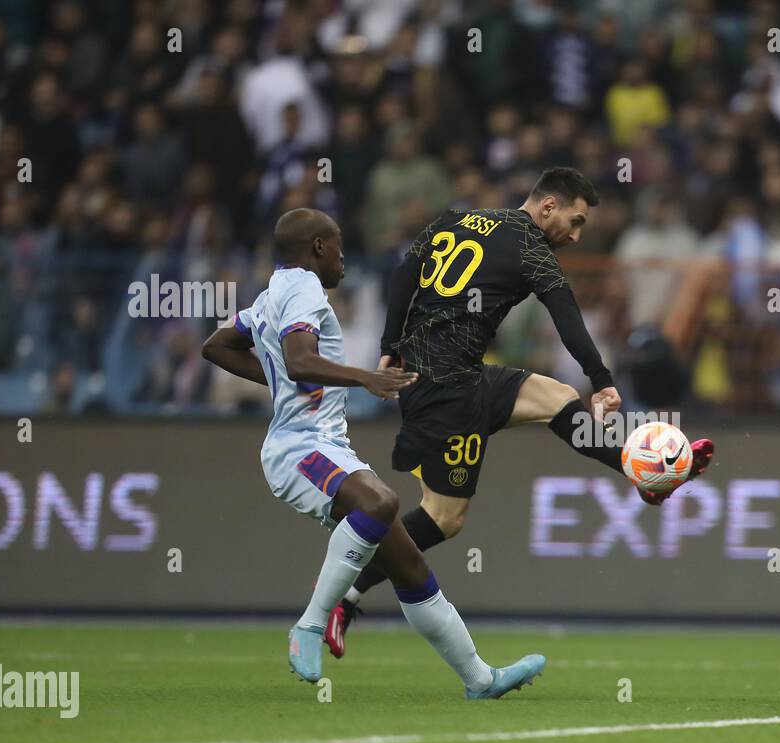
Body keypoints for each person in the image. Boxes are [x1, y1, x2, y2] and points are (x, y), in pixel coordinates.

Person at [326, 167, 715, 655]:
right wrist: (603, 381)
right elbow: (566, 316)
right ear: (547, 207)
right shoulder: (530, 247)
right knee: (443, 519)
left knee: (553, 398)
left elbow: (406, 271)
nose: (575, 236)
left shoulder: (455, 219)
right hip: (447, 395)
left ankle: (641, 471)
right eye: (574, 223)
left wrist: (390, 345)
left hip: (458, 376)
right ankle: (344, 596)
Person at [201, 207, 545, 697]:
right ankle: (311, 624)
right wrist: (368, 379)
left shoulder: (270, 293)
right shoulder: (301, 287)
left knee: (409, 565)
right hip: (300, 448)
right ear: (318, 246)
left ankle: (480, 679)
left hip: (320, 446)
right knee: (381, 503)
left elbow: (217, 345)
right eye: (338, 245)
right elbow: (299, 361)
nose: (344, 257)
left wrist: (276, 383)